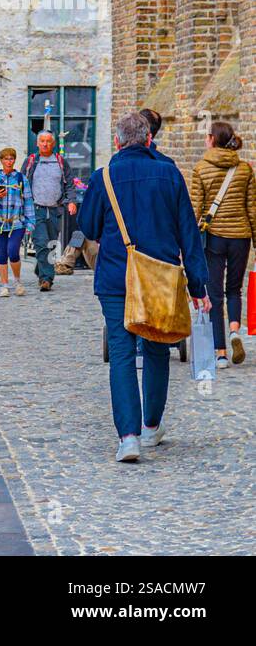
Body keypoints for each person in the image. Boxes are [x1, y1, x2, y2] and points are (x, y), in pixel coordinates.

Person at [78, 111, 209, 463]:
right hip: (160, 276)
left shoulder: (103, 177)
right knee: (155, 347)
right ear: (149, 139)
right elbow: (188, 232)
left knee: (121, 353)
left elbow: (88, 226)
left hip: (116, 278)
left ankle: (129, 437)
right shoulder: (169, 174)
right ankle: (151, 426)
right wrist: (198, 286)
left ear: (118, 142)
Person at [189, 121, 254, 368]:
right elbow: (252, 208)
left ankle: (220, 353)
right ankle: (235, 331)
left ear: (213, 140)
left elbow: (196, 208)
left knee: (214, 293)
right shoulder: (244, 169)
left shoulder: (201, 169)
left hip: (214, 236)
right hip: (241, 236)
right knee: (234, 289)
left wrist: (189, 244)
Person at [22, 131, 80, 292]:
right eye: (42, 141)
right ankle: (46, 279)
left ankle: (40, 268)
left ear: (53, 144)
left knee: (50, 243)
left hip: (55, 209)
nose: (45, 144)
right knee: (41, 242)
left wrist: (71, 201)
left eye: (48, 141)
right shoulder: (31, 162)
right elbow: (21, 183)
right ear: (37, 143)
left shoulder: (61, 162)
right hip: (36, 209)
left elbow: (69, 183)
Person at [0, 147, 35, 298]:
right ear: (1, 160)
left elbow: (28, 201)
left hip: (17, 223)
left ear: (14, 160)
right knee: (2, 254)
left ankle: (17, 281)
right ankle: (4, 285)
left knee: (13, 251)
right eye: (6, 159)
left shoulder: (21, 179)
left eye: (11, 158)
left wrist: (31, 223)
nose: (9, 161)